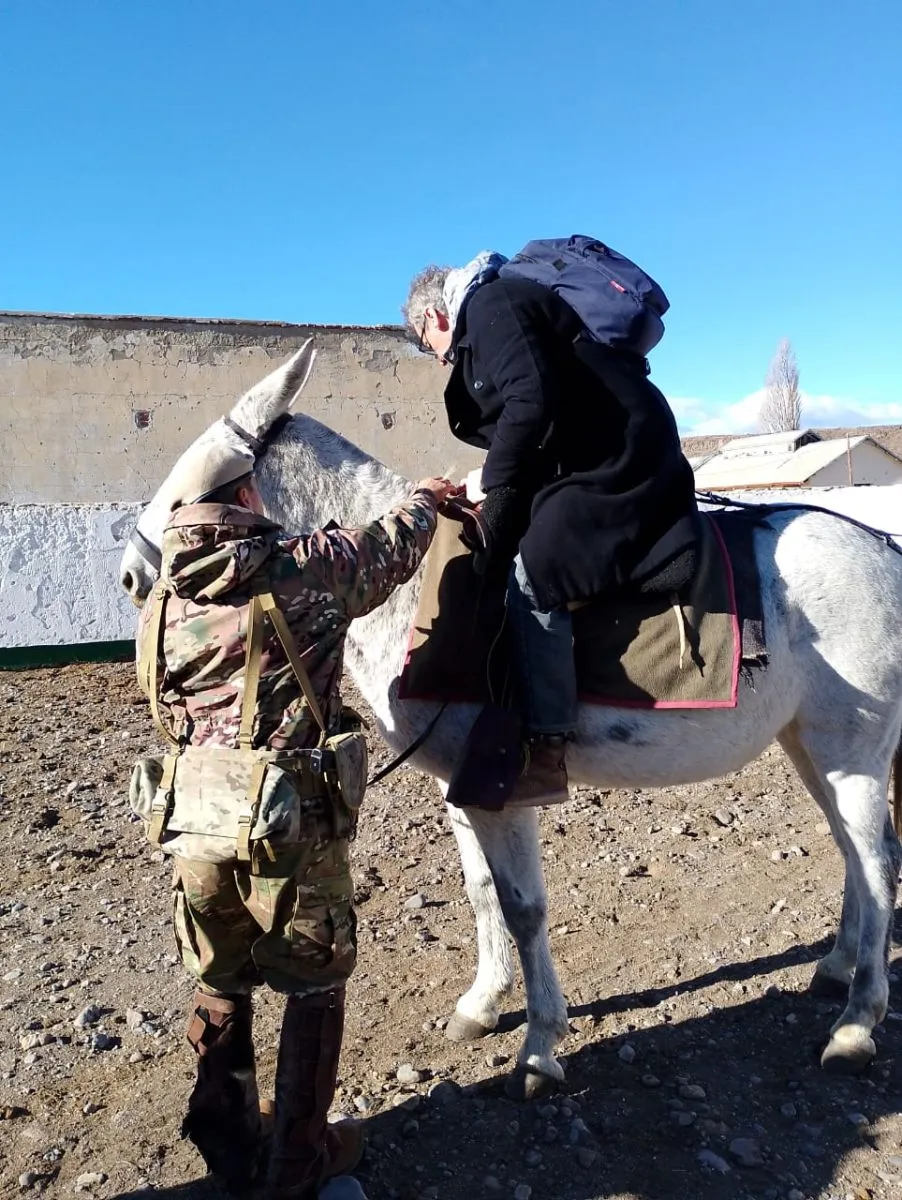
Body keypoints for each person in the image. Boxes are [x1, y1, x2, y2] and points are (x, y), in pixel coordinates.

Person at [134, 459, 456, 1198]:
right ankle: (298, 1163)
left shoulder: (158, 599)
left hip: (197, 828)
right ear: (247, 496)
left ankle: (230, 1145)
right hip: (294, 831)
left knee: (220, 979)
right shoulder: (303, 567)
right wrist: (427, 497)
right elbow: (394, 545)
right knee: (314, 986)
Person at [403, 251, 699, 804]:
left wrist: (493, 481)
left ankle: (545, 749)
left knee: (534, 572)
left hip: (619, 459)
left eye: (427, 347)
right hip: (591, 455)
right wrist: (493, 479)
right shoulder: (499, 308)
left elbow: (530, 400)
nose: (438, 359)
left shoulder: (491, 304)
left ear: (432, 317)